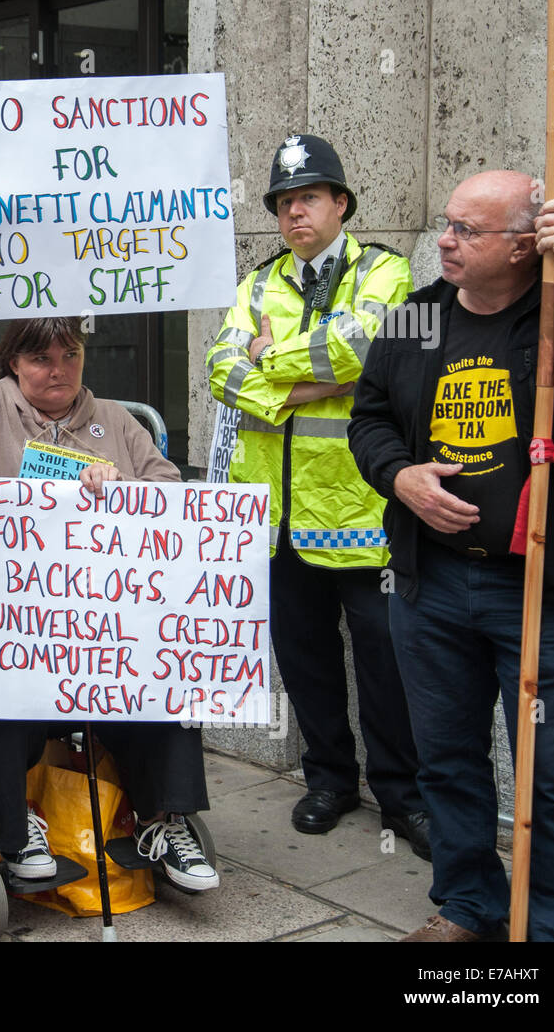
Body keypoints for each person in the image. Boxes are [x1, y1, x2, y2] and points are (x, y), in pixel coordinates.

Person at [349, 172, 554, 942]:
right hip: (432, 581)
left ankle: (548, 922)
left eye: (467, 230)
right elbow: (369, 418)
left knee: (548, 766)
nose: (444, 240)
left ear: (526, 246)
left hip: (541, 588)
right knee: (446, 755)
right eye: (446, 224)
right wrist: (401, 475)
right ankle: (467, 903)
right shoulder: (416, 317)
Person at [0, 305, 217, 891]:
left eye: (70, 355)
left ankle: (166, 819)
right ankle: (14, 827)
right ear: (11, 361)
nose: (59, 370)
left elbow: (170, 493)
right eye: (40, 358)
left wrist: (122, 488)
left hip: (99, 625)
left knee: (168, 675)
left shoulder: (115, 419)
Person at [205, 134, 429, 853]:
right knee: (303, 660)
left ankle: (401, 795)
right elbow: (220, 369)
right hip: (277, 519)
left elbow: (366, 349)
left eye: (307, 198)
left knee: (384, 664)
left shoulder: (388, 272)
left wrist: (272, 357)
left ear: (340, 203)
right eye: (283, 203)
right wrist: (297, 388)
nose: (294, 212)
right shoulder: (256, 283)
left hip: (361, 517)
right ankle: (329, 779)